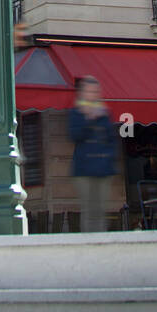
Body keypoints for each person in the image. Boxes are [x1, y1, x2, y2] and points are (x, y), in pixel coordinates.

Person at [68, 77, 118, 231]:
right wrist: (88, 119)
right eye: (89, 91)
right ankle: (89, 247)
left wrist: (110, 160)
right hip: (84, 169)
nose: (92, 94)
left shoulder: (105, 113)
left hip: (103, 169)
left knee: (100, 210)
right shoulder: (76, 112)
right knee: (89, 210)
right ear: (82, 93)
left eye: (95, 91)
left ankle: (102, 246)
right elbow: (74, 135)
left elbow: (111, 139)